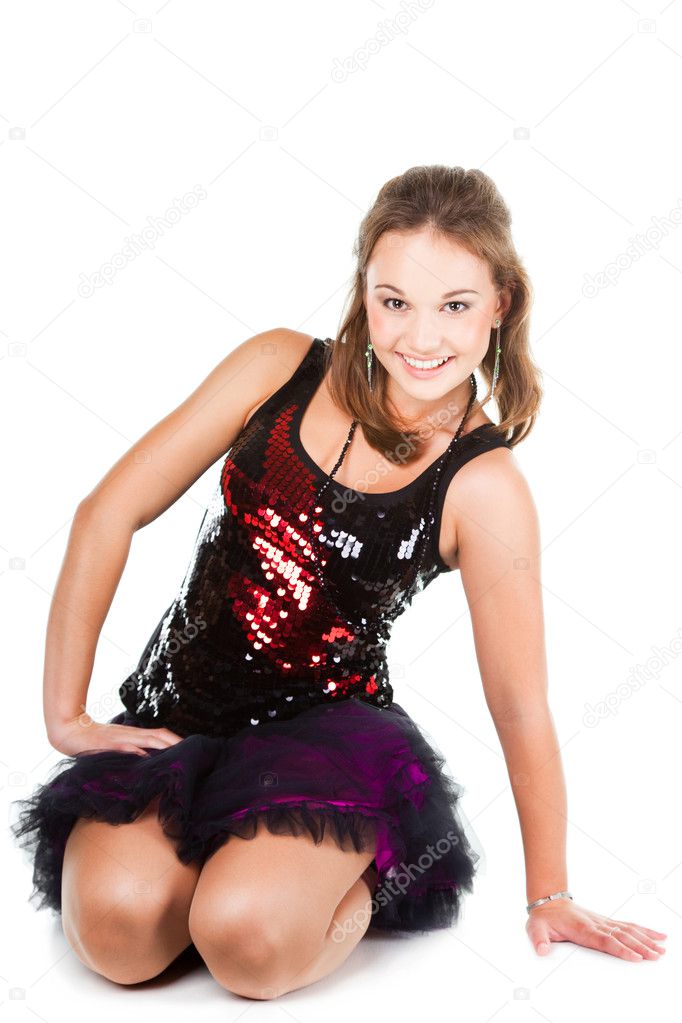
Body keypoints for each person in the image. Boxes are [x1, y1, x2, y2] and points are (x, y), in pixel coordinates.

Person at [10, 165, 666, 999]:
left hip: (324, 743)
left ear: (501, 301)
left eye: (455, 305)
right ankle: (215, 860)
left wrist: (552, 888)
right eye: (396, 301)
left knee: (244, 943)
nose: (421, 337)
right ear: (364, 291)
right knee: (119, 937)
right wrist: (65, 715)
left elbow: (519, 701)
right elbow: (106, 512)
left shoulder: (483, 483)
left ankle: (335, 875)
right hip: (176, 720)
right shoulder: (277, 368)